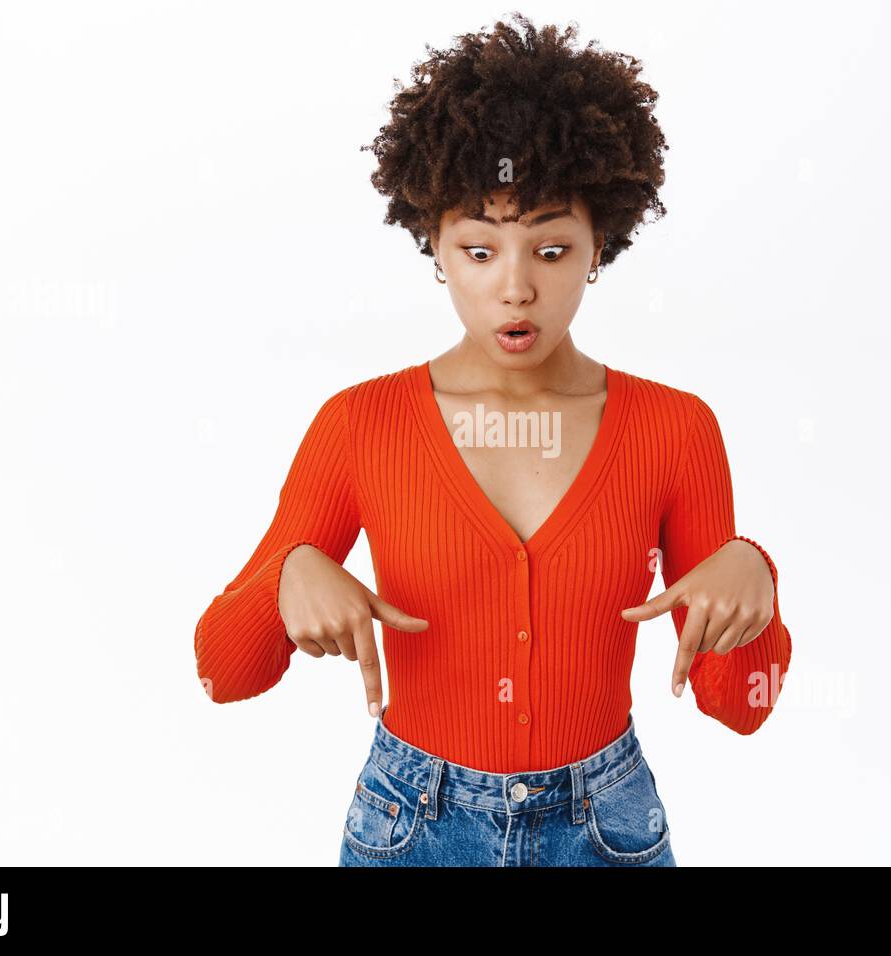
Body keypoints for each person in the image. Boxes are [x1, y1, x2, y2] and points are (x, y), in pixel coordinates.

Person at [194, 13, 793, 867]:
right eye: (479, 251)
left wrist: (752, 573)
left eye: (551, 249)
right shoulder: (360, 425)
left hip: (605, 830)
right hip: (412, 830)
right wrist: (284, 576)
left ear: (599, 247)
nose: (515, 288)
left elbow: (740, 706)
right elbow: (223, 672)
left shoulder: (674, 429)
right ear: (435, 247)